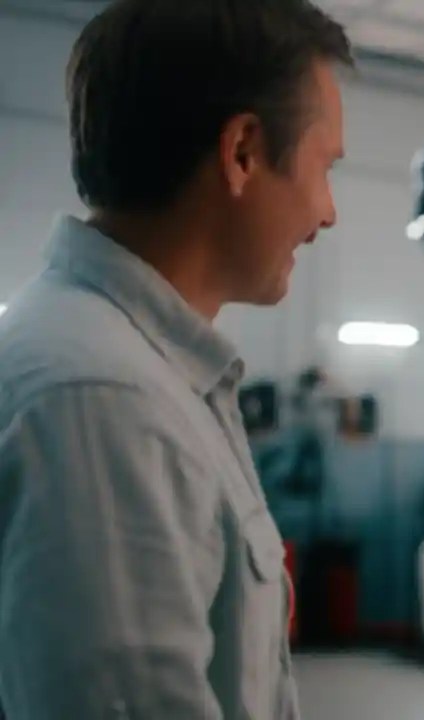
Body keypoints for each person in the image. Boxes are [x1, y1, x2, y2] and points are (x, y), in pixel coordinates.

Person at [0, 1, 351, 717]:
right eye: (324, 168)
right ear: (244, 152)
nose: (328, 211)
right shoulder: (103, 400)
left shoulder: (143, 373)